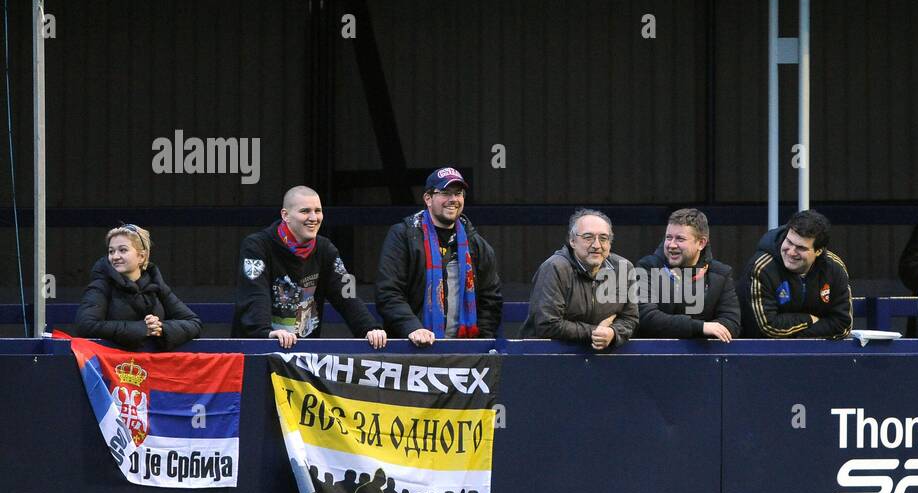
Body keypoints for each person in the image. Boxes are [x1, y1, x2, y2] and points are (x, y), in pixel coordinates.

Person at [232, 186, 387, 349]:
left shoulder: (326, 249)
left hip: (304, 353)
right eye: (305, 211)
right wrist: (266, 333)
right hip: (256, 347)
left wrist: (369, 328)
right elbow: (255, 293)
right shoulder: (257, 245)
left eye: (318, 211)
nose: (314, 218)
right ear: (285, 215)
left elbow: (347, 293)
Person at [375, 167, 503, 344]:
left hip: (465, 353)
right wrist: (412, 328)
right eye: (445, 193)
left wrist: (480, 344)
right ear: (428, 198)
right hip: (412, 350)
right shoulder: (404, 235)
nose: (453, 200)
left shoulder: (477, 244)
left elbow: (491, 300)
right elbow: (388, 292)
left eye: (458, 193)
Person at [519, 209, 639, 350]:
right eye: (588, 237)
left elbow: (630, 319)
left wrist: (613, 332)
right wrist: (596, 332)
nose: (596, 245)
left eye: (603, 238)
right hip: (548, 356)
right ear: (572, 241)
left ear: (610, 243)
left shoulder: (624, 268)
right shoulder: (555, 268)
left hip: (602, 358)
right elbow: (547, 324)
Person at [76, 224, 202, 350]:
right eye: (111, 251)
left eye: (123, 250)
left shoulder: (157, 285)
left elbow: (193, 322)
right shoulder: (100, 286)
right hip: (114, 366)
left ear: (141, 256)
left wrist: (160, 328)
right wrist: (142, 328)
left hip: (155, 364)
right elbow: (86, 326)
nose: (115, 256)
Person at [738, 209, 853, 339]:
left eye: (801, 248)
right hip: (763, 353)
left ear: (819, 251)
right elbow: (767, 328)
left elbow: (843, 325)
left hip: (818, 353)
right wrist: (809, 320)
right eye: (789, 242)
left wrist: (798, 335)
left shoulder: (834, 268)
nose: (791, 252)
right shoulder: (762, 267)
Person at [635, 208, 741, 341]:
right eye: (668, 237)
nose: (671, 245)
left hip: (704, 359)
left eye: (680, 239)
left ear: (701, 243)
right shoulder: (647, 267)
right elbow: (646, 317)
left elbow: (732, 323)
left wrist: (695, 329)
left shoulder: (720, 274)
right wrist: (700, 327)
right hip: (652, 357)